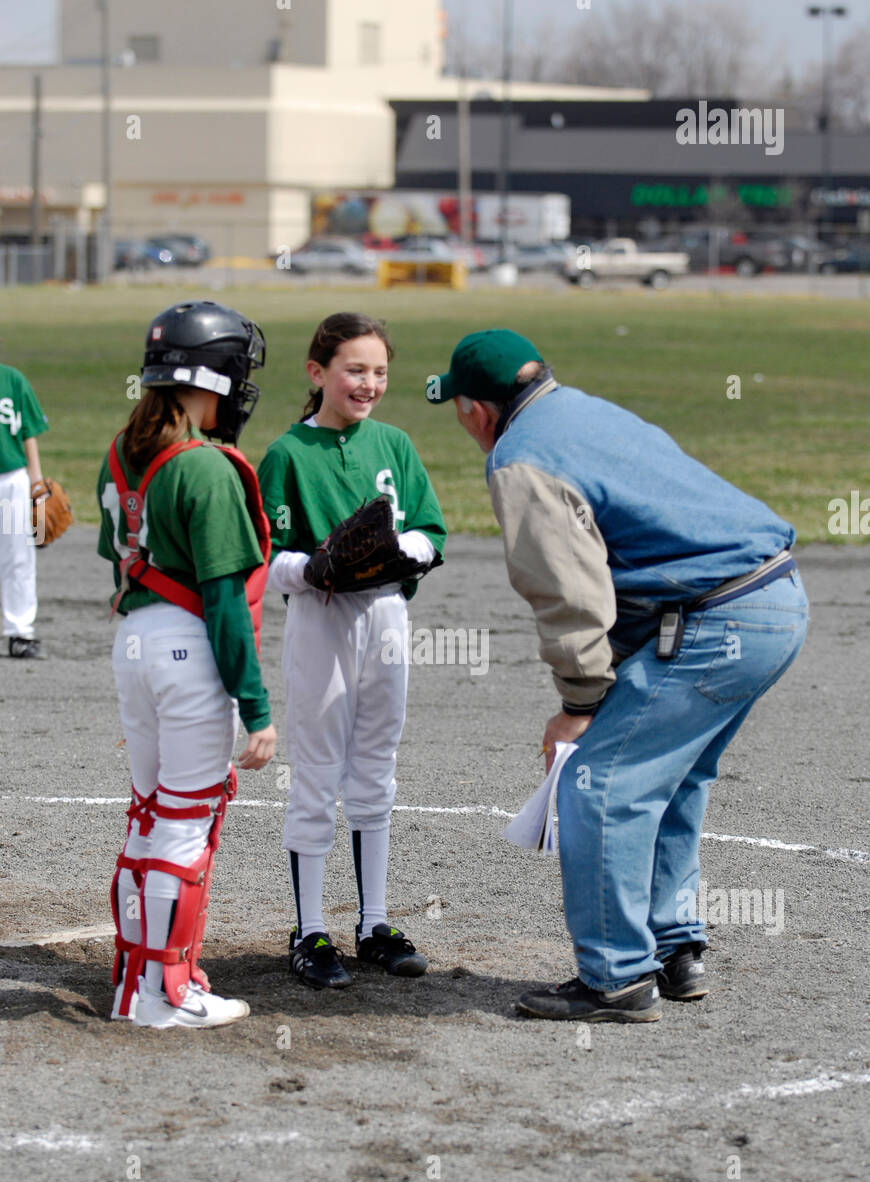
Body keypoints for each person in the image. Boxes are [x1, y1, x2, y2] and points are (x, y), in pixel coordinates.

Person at [428, 328, 808, 1023]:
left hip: (717, 618)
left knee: (599, 785)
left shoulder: (520, 458)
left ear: (475, 409)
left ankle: (616, 978)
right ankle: (673, 949)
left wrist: (580, 705)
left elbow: (570, 595)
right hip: (773, 601)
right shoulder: (587, 410)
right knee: (670, 777)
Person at [97, 300, 276, 1029]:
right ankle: (164, 996)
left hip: (133, 641)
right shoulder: (205, 466)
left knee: (149, 817)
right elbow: (227, 605)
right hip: (188, 651)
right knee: (184, 826)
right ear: (215, 377)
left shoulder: (121, 449)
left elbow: (115, 556)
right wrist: (258, 709)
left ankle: (134, 980)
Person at [258, 311, 446, 989]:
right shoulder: (286, 454)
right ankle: (309, 931)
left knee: (376, 765)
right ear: (318, 373)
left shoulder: (393, 445)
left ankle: (374, 923)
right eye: (354, 370)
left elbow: (433, 530)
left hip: (387, 617)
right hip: (321, 618)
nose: (368, 383)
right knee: (316, 770)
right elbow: (265, 557)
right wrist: (310, 569)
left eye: (379, 372)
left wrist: (401, 551)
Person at [0, 357, 49, 658]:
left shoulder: (12, 380)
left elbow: (28, 432)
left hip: (10, 480)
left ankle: (20, 633)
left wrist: (37, 485)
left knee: (18, 556)